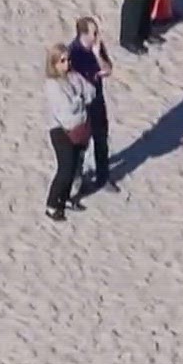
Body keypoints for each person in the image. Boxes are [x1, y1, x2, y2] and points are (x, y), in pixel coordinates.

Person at [43, 43, 95, 222]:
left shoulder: (74, 76)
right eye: (62, 60)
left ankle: (64, 199)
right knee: (64, 170)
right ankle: (51, 205)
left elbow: (91, 92)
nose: (67, 64)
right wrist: (80, 99)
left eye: (68, 59)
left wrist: (79, 98)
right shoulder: (52, 84)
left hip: (79, 128)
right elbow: (67, 109)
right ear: (54, 63)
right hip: (61, 131)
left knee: (73, 168)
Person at [67, 17, 116, 193]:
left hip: (97, 100)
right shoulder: (73, 53)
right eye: (93, 32)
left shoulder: (97, 47)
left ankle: (103, 177)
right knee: (80, 144)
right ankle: (76, 180)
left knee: (101, 139)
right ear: (83, 34)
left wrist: (97, 54)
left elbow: (108, 69)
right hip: (82, 104)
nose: (97, 35)